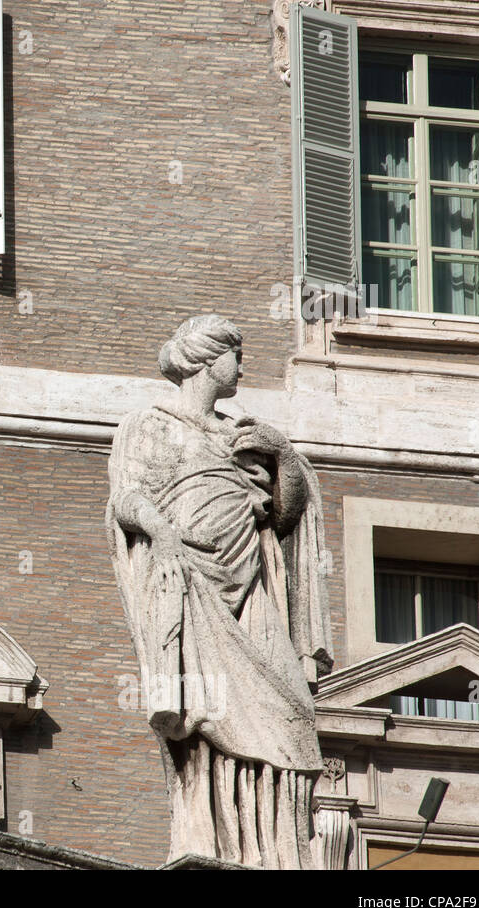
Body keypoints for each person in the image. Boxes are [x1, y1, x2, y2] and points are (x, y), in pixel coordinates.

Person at [105, 315, 331, 869]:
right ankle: (207, 833)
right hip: (191, 582)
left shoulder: (244, 434)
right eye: (236, 353)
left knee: (295, 711)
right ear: (209, 359)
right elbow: (127, 497)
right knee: (205, 715)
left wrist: (281, 453)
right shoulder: (148, 424)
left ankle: (281, 846)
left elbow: (288, 510)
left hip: (253, 584)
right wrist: (161, 532)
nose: (243, 365)